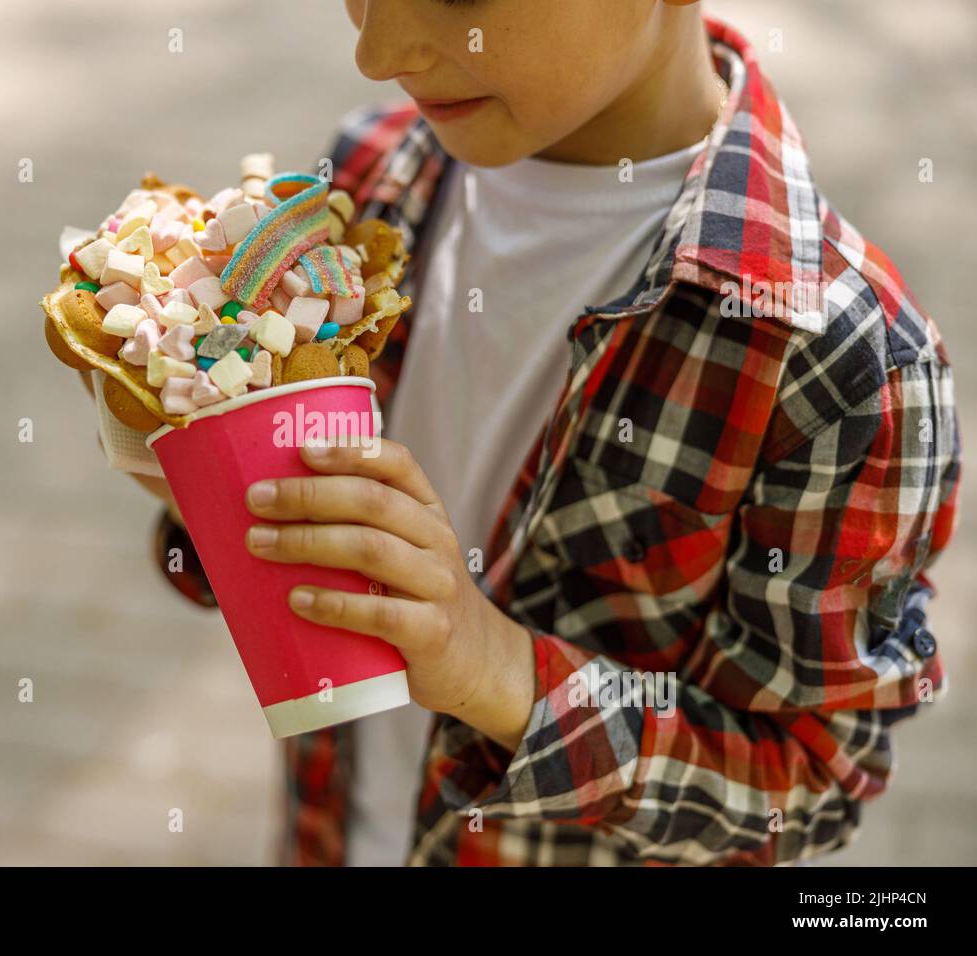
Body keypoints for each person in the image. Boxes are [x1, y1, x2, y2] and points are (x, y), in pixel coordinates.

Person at [136, 1, 961, 866]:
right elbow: (303, 585)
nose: (378, 52)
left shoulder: (840, 358)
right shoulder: (366, 176)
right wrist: (214, 495)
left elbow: (807, 788)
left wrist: (496, 671)